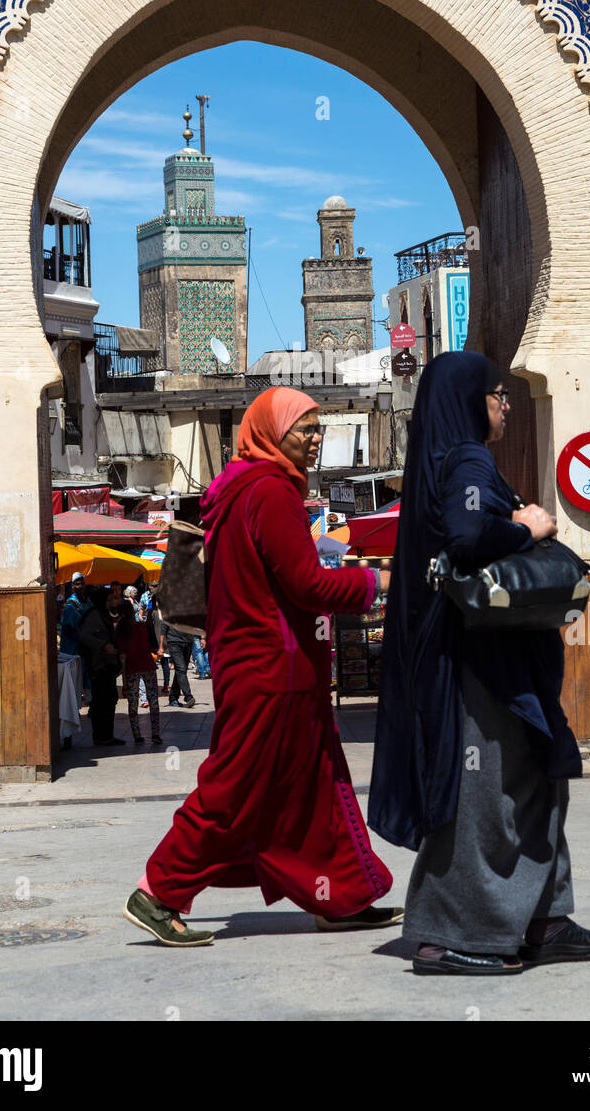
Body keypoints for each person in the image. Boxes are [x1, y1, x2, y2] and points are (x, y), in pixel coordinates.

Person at [123, 386, 402, 947]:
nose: (317, 438)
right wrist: (379, 582)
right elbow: (307, 583)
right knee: (234, 786)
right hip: (269, 669)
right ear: (274, 435)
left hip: (270, 667)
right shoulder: (270, 492)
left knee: (315, 785)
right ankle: (158, 890)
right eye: (305, 429)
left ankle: (338, 896)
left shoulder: (241, 490)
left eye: (319, 427)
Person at [369, 350, 590, 976]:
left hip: (481, 652)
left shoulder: (434, 462)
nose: (504, 404)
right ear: (468, 400)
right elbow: (469, 539)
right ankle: (450, 935)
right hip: (482, 662)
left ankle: (543, 918)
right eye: (497, 394)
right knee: (484, 790)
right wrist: (530, 528)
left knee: (536, 775)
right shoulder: (470, 459)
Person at [78, 582, 125, 747]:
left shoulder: (102, 614)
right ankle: (101, 736)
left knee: (109, 700)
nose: (111, 602)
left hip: (107, 666)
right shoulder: (94, 615)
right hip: (99, 666)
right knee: (102, 702)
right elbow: (84, 636)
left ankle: (107, 735)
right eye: (109, 599)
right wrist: (103, 645)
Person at [117, 588, 163, 745]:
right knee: (154, 701)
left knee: (133, 703)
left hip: (132, 669)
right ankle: (155, 733)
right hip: (148, 667)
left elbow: (122, 656)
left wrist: (123, 682)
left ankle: (137, 734)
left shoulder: (120, 632)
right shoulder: (142, 627)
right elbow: (152, 646)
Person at [159, 619, 197, 708]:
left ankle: (173, 698)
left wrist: (202, 637)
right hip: (174, 641)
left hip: (188, 641)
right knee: (181, 669)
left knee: (181, 671)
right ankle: (188, 696)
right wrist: (161, 646)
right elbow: (164, 626)